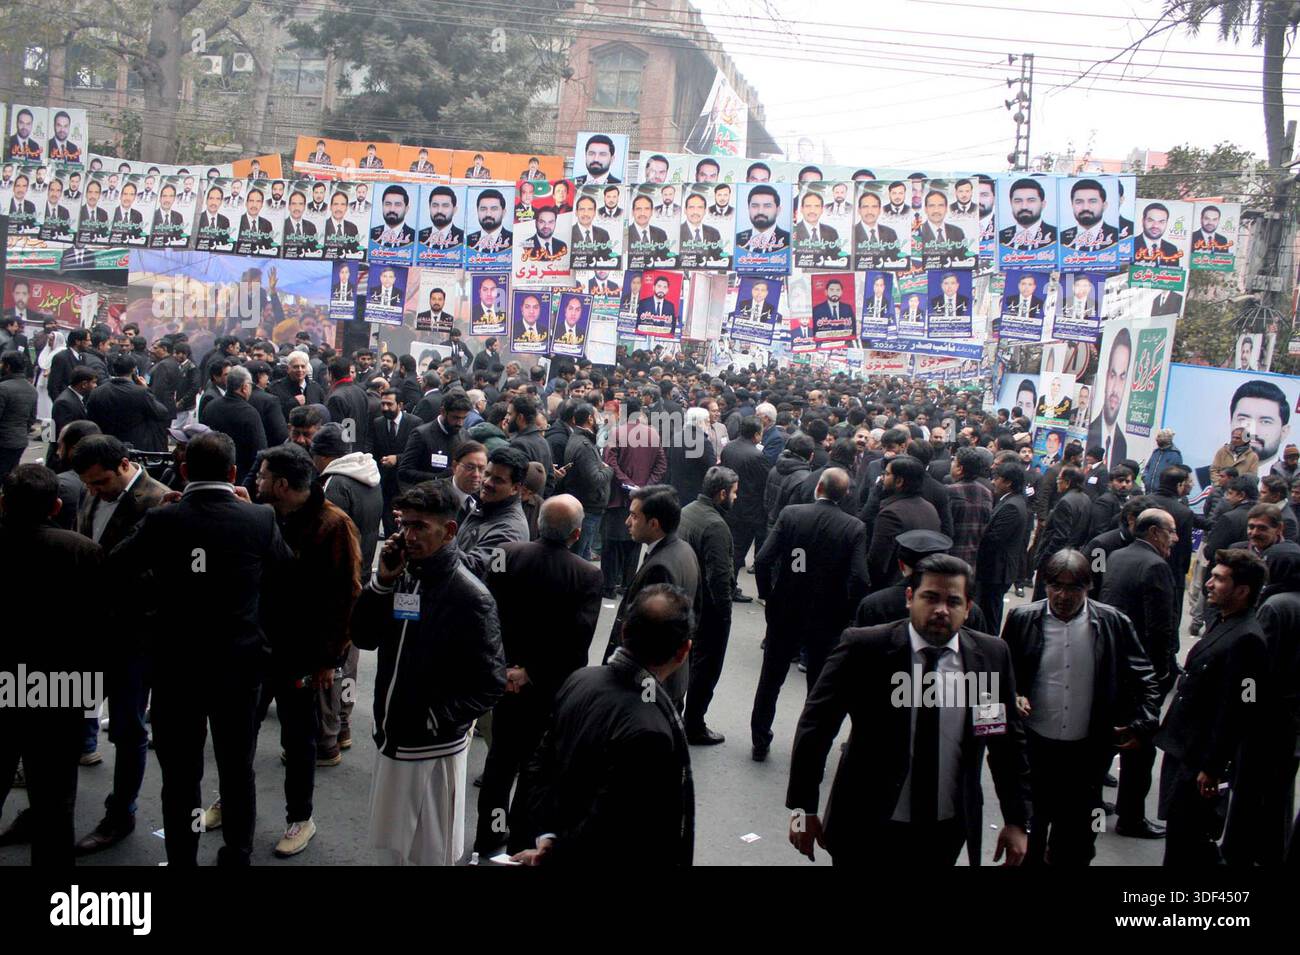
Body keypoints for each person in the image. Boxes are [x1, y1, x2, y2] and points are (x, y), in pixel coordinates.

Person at [108, 431, 292, 865]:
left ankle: (183, 854)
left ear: (185, 472)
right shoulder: (259, 519)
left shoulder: (163, 521)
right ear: (233, 473)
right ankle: (237, 852)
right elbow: (286, 575)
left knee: (181, 775)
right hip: (239, 664)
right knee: (236, 769)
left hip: (176, 667)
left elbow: (116, 564)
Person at [786, 554, 1030, 866]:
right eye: (930, 597)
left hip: (943, 831)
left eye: (953, 601)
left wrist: (1016, 820)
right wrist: (802, 810)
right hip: (865, 828)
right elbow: (816, 728)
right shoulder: (866, 649)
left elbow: (1002, 742)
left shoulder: (988, 659)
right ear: (910, 598)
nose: (941, 610)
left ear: (968, 609)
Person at [352, 479, 506, 865]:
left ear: (449, 531)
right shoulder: (401, 572)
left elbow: (491, 683)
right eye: (404, 524)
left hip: (432, 749)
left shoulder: (470, 597)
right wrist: (382, 582)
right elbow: (364, 637)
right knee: (395, 849)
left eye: (420, 526)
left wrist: (436, 718)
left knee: (429, 852)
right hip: (392, 738)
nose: (408, 535)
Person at [512, 584, 694, 866]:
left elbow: (539, 764)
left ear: (624, 633)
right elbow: (612, 823)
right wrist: (555, 851)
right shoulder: (652, 729)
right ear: (683, 651)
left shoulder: (581, 679)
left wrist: (546, 835)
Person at [1002, 549, 1162, 865]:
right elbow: (999, 680)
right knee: (1029, 838)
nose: (1062, 595)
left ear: (1088, 588)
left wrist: (1143, 723)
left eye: (1073, 587)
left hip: (1087, 754)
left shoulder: (1113, 623)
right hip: (1035, 750)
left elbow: (1146, 678)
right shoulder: (1022, 620)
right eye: (1055, 586)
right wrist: (1013, 698)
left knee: (1075, 844)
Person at [475, 495, 603, 857]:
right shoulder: (587, 574)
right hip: (547, 688)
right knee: (534, 769)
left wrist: (505, 667)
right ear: (576, 534)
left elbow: (487, 615)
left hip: (503, 682)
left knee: (500, 762)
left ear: (538, 524)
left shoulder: (507, 554)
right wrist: (531, 671)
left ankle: (488, 835)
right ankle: (518, 843)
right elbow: (578, 640)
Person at [250, 443, 362, 855]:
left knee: (299, 741)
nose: (256, 480)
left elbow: (346, 595)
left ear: (280, 484)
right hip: (255, 648)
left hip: (300, 653)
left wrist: (329, 659)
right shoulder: (263, 516)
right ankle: (232, 799)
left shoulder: (333, 524)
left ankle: (300, 819)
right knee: (238, 732)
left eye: (262, 476)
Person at [0, 465, 103, 865]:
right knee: (56, 798)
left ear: (4, 502)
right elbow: (98, 629)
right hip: (61, 687)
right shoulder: (81, 551)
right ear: (56, 506)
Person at [1154, 549, 1267, 865]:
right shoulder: (1224, 622)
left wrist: (1213, 767)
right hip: (1186, 749)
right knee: (1180, 833)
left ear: (1242, 590)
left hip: (1201, 758)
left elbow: (1236, 710)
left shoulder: (1247, 638)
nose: (1209, 584)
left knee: (1188, 839)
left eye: (1219, 579)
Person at [751, 468, 869, 761]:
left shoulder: (791, 515)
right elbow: (859, 578)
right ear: (846, 495)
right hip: (828, 616)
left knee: (771, 678)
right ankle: (809, 745)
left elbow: (764, 559)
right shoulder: (853, 527)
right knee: (818, 685)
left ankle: (760, 739)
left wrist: (768, 594)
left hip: (786, 607)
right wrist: (847, 611)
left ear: (818, 487)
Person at [1100, 508, 1181, 841]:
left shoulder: (1118, 557)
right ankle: (1131, 817)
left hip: (1113, 664)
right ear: (1154, 533)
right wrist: (1162, 675)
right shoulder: (1156, 567)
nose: (1175, 538)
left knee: (1108, 736)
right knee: (1140, 748)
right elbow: (1160, 628)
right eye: (1171, 531)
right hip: (1139, 673)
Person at [603, 485, 701, 712]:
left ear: (654, 524)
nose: (627, 521)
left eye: (634, 516)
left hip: (650, 684)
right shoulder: (684, 550)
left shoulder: (660, 567)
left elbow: (650, 637)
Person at [678, 466, 738, 745]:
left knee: (685, 663)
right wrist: (725, 617)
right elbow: (719, 578)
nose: (736, 498)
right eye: (734, 493)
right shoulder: (716, 526)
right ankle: (694, 724)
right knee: (706, 669)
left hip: (686, 601)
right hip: (708, 612)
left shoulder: (688, 510)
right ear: (722, 493)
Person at [455, 445, 530, 577]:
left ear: (515, 488)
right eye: (487, 474)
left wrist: (436, 541)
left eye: (498, 480)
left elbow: (477, 570)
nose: (487, 482)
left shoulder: (510, 532)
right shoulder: (484, 504)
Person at [867, 456, 941, 588]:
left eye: (887, 474)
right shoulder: (929, 508)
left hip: (894, 588)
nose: (883, 478)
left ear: (899, 481)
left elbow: (877, 562)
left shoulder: (890, 514)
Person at [975, 460, 1030, 634]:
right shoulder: (1010, 501)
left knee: (990, 612)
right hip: (997, 569)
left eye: (997, 478)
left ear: (1008, 482)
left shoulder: (1012, 506)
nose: (993, 482)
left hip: (997, 570)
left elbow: (995, 539)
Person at [555, 402, 611, 559]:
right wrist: (608, 469)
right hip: (588, 507)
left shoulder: (579, 439)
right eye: (597, 416)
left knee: (583, 554)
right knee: (578, 557)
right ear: (590, 419)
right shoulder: (584, 445)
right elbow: (595, 479)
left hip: (586, 505)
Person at [198, 365, 268, 482]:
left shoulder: (211, 406)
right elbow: (259, 448)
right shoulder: (249, 413)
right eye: (250, 385)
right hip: (239, 476)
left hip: (210, 471)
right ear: (245, 387)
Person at [1032, 466, 1092, 600]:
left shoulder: (1065, 502)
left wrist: (1044, 560)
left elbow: (1060, 536)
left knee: (1043, 597)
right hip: (1073, 555)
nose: (1057, 482)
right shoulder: (1086, 499)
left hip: (1056, 559)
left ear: (1068, 482)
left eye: (1059, 479)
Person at [0, 351, 36, 476]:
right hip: (19, 441)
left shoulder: (3, 388)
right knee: (10, 475)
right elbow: (32, 418)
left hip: (3, 441)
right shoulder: (32, 389)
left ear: (7, 366)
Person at [269, 351, 325, 420]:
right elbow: (274, 414)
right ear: (288, 369)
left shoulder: (315, 387)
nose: (300, 370)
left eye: (303, 366)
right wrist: (293, 403)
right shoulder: (276, 388)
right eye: (296, 367)